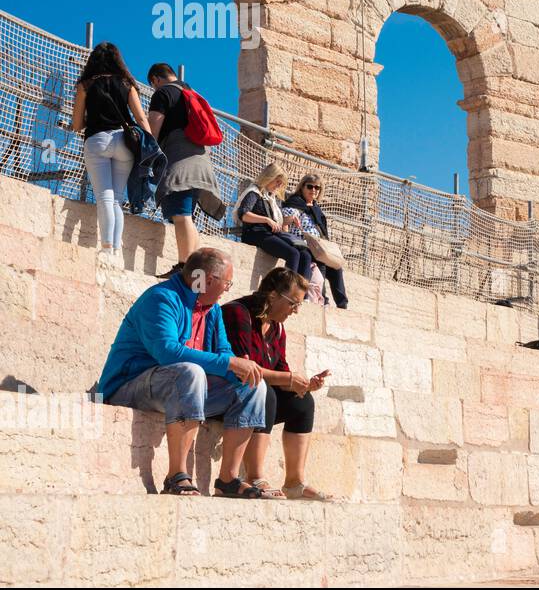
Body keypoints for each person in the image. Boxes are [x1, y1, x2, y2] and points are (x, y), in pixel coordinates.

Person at [94, 247, 268, 497]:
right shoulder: (161, 298)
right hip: (129, 386)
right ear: (208, 280)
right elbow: (168, 352)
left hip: (178, 390)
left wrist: (240, 367)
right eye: (227, 284)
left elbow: (224, 352)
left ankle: (228, 479)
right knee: (190, 372)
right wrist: (229, 364)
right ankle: (176, 475)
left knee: (253, 385)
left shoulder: (213, 309)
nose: (227, 291)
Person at [222, 267, 331, 500]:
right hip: (225, 393)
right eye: (293, 303)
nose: (296, 311)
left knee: (302, 403)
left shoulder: (276, 328)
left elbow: (279, 372)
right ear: (272, 296)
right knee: (264, 391)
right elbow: (244, 369)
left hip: (255, 394)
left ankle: (295, 481)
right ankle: (255, 476)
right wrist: (289, 379)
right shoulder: (238, 314)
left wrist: (303, 385)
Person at [70, 42, 151, 262]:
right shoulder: (127, 83)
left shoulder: (85, 85)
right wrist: (151, 145)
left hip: (97, 140)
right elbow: (141, 118)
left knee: (104, 196)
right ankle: (115, 249)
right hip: (124, 142)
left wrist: (93, 117)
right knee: (116, 199)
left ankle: (106, 248)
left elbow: (77, 125)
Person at [146, 63, 226, 277]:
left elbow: (153, 127)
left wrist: (144, 154)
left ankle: (185, 267)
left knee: (181, 215)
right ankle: (193, 268)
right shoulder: (190, 92)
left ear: (155, 79)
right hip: (200, 162)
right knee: (187, 215)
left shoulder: (163, 93)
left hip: (179, 163)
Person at [235, 163, 312, 279]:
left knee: (305, 255)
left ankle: (302, 294)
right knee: (293, 253)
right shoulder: (254, 192)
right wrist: (266, 220)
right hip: (255, 233)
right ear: (268, 177)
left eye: (281, 183)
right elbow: (244, 215)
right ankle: (287, 290)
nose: (279, 185)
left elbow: (276, 222)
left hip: (270, 233)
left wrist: (289, 220)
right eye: (277, 181)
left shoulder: (272, 197)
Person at [283, 173, 348, 309]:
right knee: (321, 266)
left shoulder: (317, 209)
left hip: (319, 246)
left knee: (336, 268)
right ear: (302, 187)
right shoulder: (294, 203)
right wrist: (291, 219)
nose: (313, 190)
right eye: (310, 186)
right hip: (304, 244)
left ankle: (342, 304)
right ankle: (321, 298)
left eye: (317, 188)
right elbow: (283, 220)